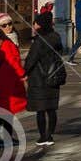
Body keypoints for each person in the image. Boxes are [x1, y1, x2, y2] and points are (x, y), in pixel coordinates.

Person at [24, 13, 66, 148]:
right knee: (51, 109)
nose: (34, 25)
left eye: (36, 23)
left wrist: (24, 72)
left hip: (39, 79)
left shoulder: (39, 41)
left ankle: (43, 136)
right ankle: (50, 135)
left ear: (40, 24)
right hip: (54, 76)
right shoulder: (56, 37)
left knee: (41, 110)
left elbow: (31, 60)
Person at [0, 25, 27, 117]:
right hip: (10, 77)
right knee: (9, 107)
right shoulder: (7, 44)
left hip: (2, 78)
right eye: (4, 26)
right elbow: (13, 61)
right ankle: (1, 129)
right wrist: (22, 74)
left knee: (2, 105)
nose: (8, 27)